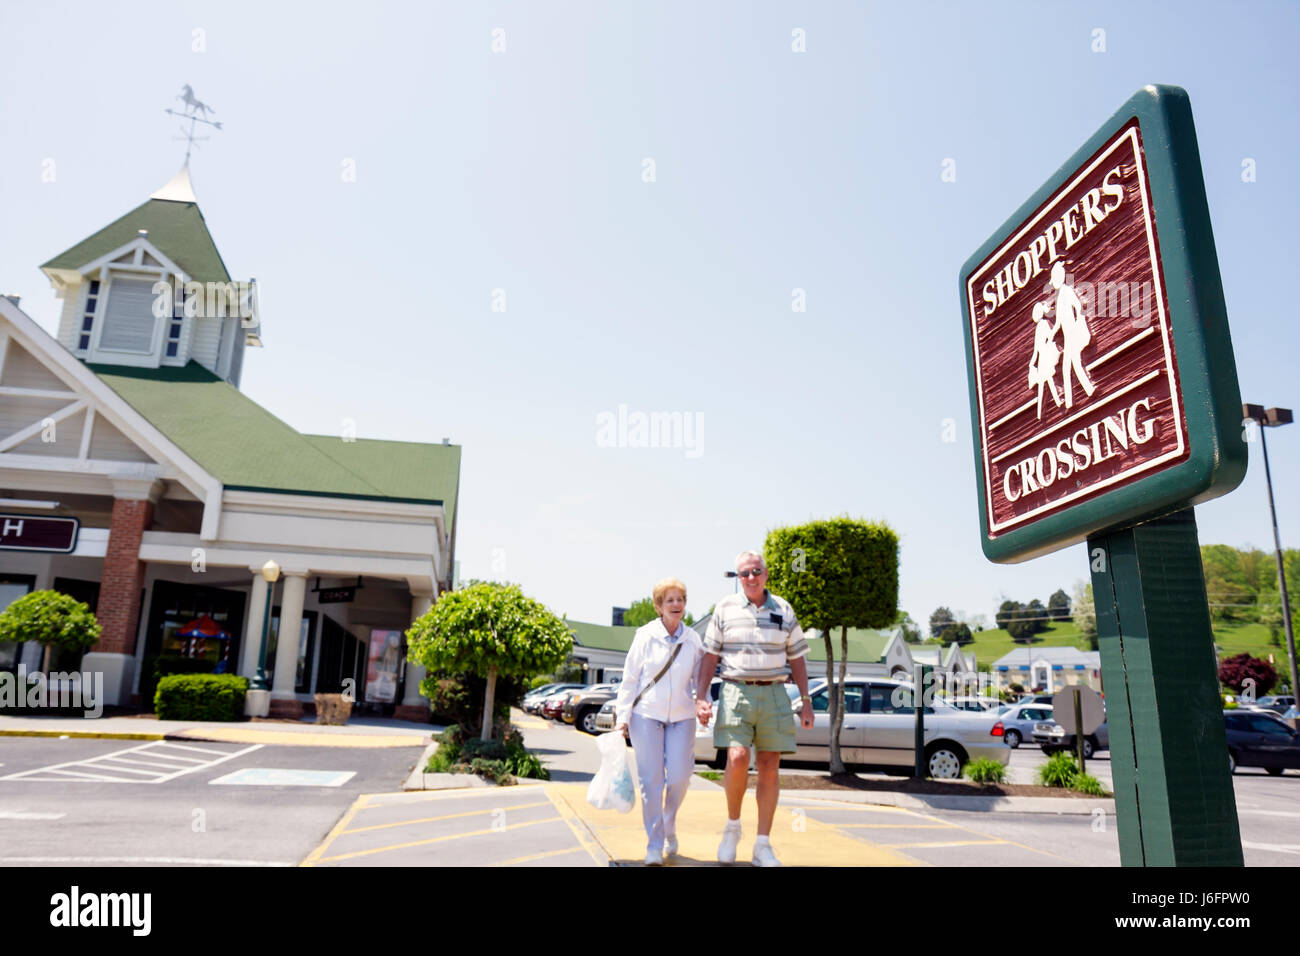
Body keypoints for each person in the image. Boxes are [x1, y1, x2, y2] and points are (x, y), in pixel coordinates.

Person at [696, 551, 814, 867]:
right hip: (735, 690)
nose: (751, 578)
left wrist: (806, 700)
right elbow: (709, 655)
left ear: (766, 574)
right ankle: (733, 827)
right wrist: (702, 695)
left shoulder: (784, 609)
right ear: (738, 577)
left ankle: (762, 844)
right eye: (744, 573)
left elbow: (798, 658)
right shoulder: (724, 608)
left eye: (756, 571)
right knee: (736, 758)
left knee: (769, 763)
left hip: (775, 693)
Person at [613, 577, 703, 866]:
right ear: (659, 606)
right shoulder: (645, 636)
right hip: (646, 716)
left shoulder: (693, 639)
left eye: (680, 600)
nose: (676, 605)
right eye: (670, 600)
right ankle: (654, 844)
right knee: (651, 783)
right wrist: (622, 717)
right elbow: (630, 679)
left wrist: (703, 702)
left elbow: (701, 681)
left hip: (682, 716)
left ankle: (669, 823)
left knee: (679, 777)